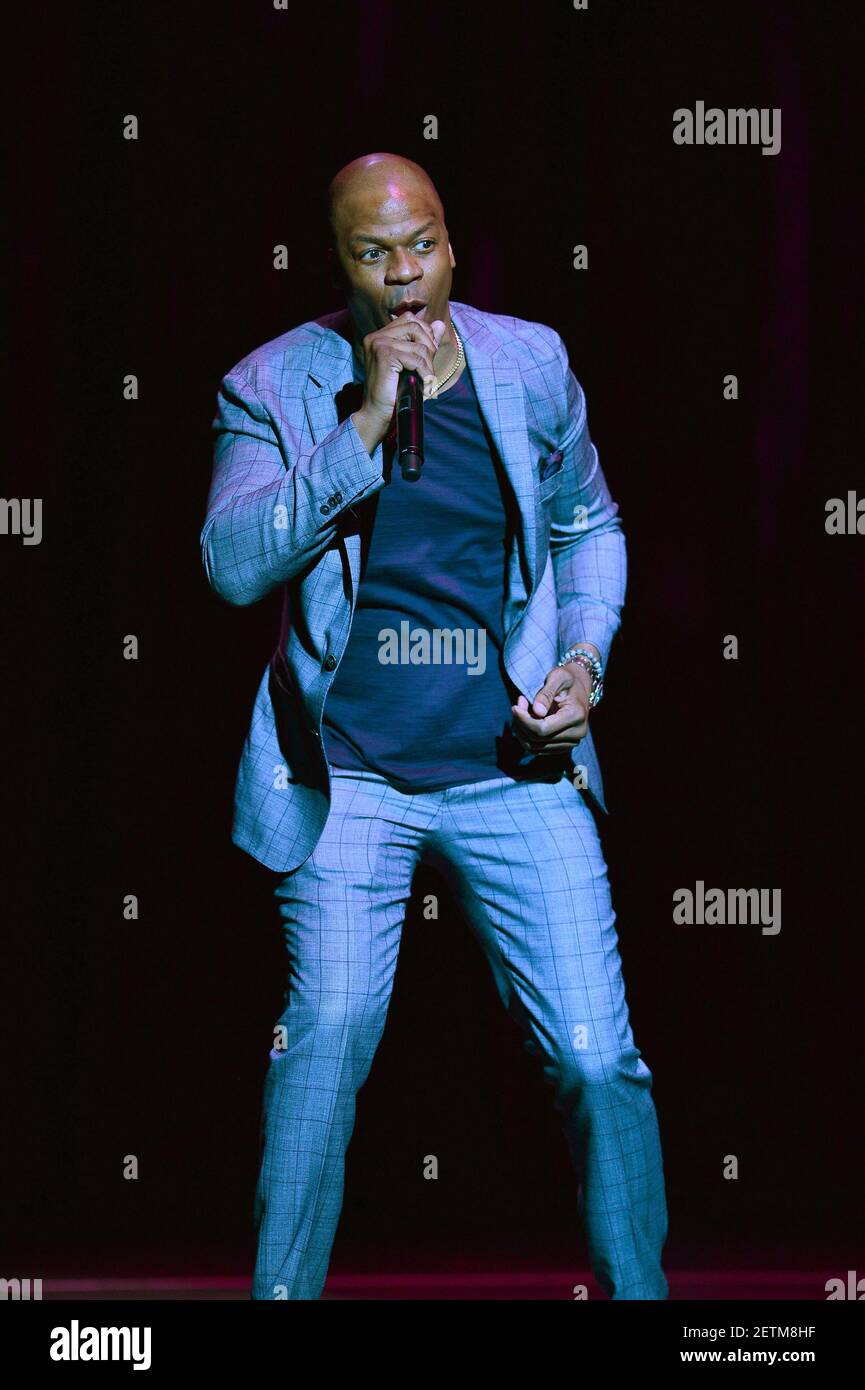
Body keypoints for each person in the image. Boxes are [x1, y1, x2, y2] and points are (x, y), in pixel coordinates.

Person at [201, 152, 669, 1300]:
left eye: (422, 246)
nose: (404, 275)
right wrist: (363, 424)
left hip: (513, 767)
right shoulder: (272, 385)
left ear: (453, 247)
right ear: (340, 264)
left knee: (597, 1057)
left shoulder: (531, 362)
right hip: (348, 777)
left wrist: (583, 660)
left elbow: (590, 526)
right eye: (375, 253)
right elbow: (232, 565)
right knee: (323, 1038)